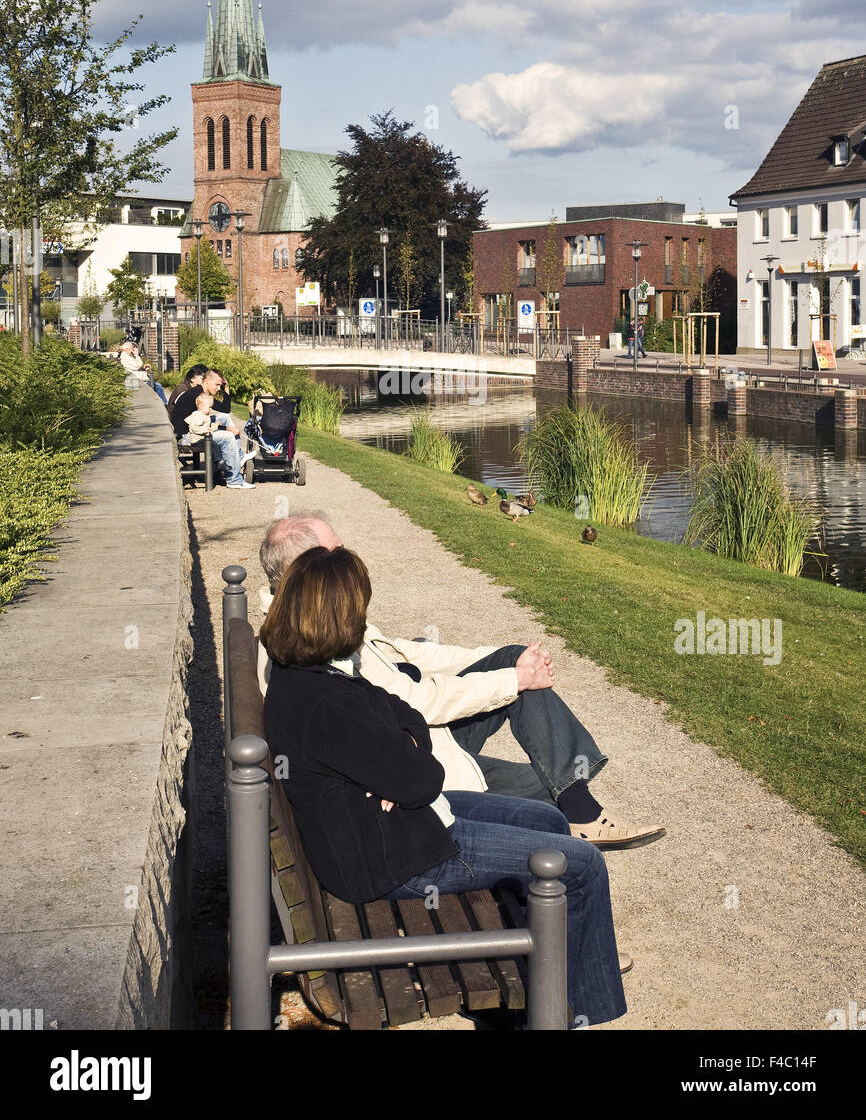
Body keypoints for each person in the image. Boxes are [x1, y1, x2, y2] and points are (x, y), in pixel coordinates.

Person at [261, 544, 627, 1029]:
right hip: (400, 858)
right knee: (582, 865)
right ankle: (576, 1014)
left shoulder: (311, 674)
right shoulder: (330, 704)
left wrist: (402, 756)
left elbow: (405, 713)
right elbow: (423, 777)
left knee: (549, 819)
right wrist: (405, 761)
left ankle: (542, 970)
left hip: (397, 826)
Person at [258, 513, 665, 848]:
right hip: (413, 760)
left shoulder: (308, 620)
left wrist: (497, 657)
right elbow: (419, 702)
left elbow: (410, 653)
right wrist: (512, 679)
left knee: (552, 776)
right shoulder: (312, 640)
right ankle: (582, 815)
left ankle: (579, 810)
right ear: (307, 567)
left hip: (413, 746)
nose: (348, 556)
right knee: (551, 788)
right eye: (338, 550)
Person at [170, 368, 255, 489]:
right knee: (228, 437)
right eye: (217, 385)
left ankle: (239, 458)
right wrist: (228, 429)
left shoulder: (202, 394)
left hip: (196, 429)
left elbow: (225, 409)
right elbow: (197, 427)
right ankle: (234, 480)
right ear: (208, 381)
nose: (218, 388)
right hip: (187, 435)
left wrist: (226, 390)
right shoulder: (196, 395)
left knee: (225, 417)